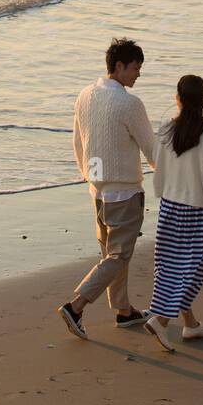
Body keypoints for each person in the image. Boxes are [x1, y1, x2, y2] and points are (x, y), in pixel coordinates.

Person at [57, 38, 156, 339]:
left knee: (111, 254)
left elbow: (77, 141)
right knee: (118, 256)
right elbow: (152, 150)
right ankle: (76, 306)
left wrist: (87, 175)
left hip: (97, 191)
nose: (138, 74)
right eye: (135, 68)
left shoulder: (85, 95)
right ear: (119, 66)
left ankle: (124, 311)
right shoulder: (129, 104)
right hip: (124, 191)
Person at [144, 74, 203, 353]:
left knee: (170, 269)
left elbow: (158, 166)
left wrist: (166, 192)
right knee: (192, 271)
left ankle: (191, 325)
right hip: (197, 213)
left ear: (178, 99)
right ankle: (161, 319)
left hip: (170, 207)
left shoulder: (167, 129)